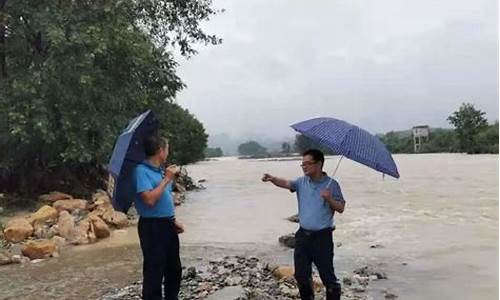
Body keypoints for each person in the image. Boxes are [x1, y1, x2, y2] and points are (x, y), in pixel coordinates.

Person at [262, 149, 345, 300]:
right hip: (302, 236)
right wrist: (273, 179)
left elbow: (341, 208)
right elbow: (286, 183)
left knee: (328, 278)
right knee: (301, 275)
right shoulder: (301, 182)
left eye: (308, 163)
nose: (304, 167)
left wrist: (329, 199)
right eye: (303, 164)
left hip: (322, 238)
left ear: (319, 164)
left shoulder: (332, 185)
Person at [134, 134, 184, 300]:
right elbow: (149, 200)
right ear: (160, 151)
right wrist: (167, 179)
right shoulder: (141, 171)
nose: (168, 152)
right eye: (167, 148)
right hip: (152, 227)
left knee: (174, 268)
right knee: (154, 270)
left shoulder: (160, 171)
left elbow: (165, 199)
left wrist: (173, 220)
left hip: (167, 224)